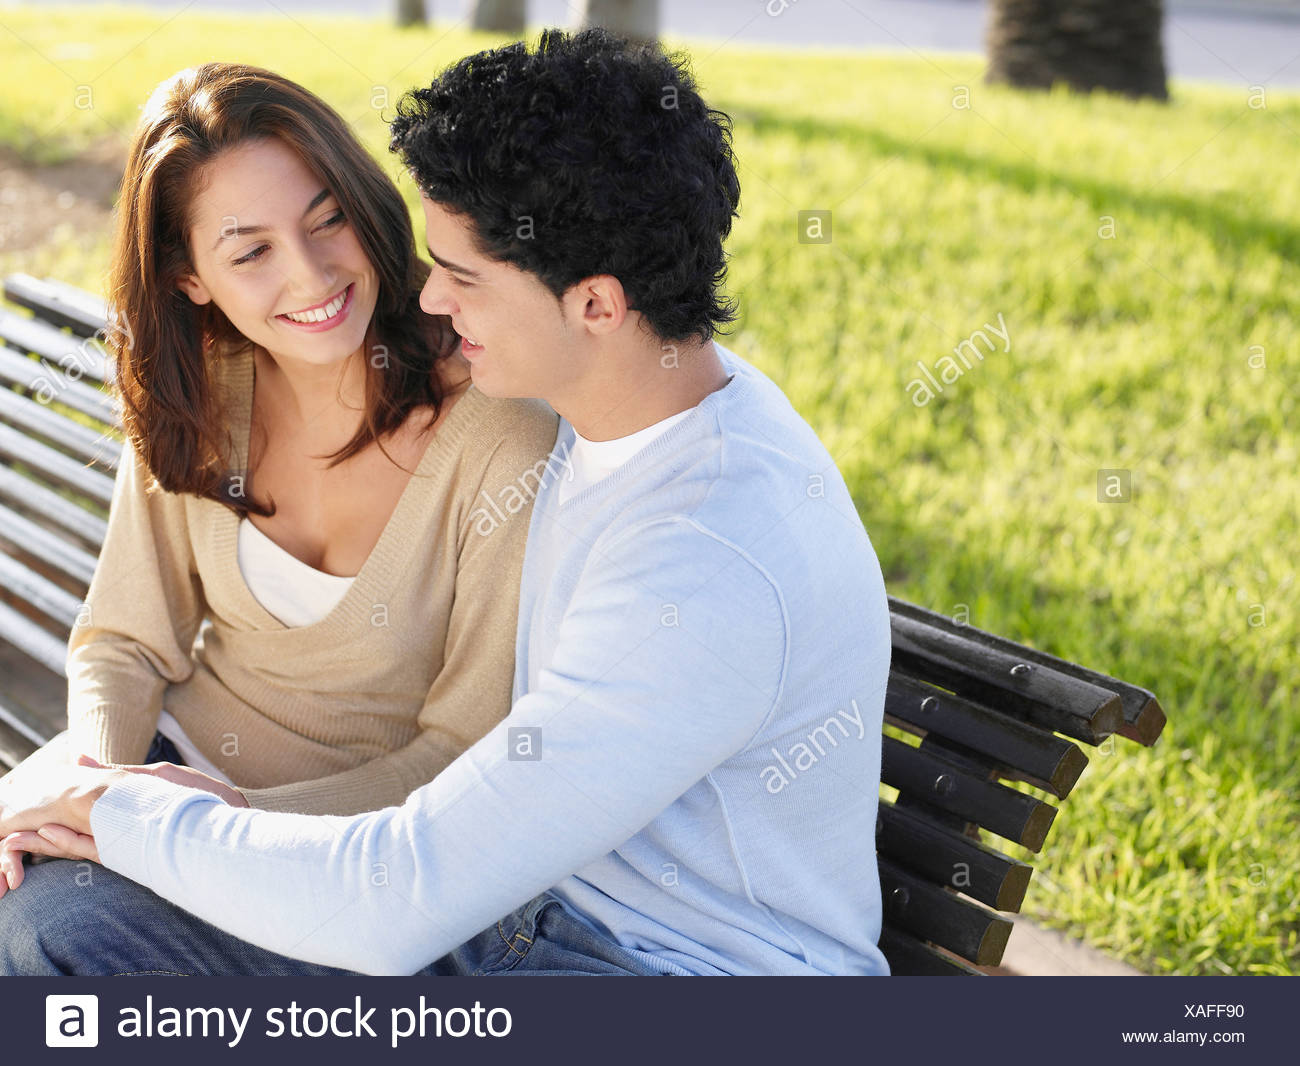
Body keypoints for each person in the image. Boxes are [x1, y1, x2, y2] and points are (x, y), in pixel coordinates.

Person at [0, 29, 891, 978]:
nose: (427, 299)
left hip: (654, 969)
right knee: (53, 927)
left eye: (461, 278)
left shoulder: (703, 561)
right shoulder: (633, 404)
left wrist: (125, 813)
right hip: (511, 913)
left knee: (63, 936)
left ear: (594, 305)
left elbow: (402, 888)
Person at [0, 64, 558, 830]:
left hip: (342, 848)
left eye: (328, 220)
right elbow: (124, 643)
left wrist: (222, 826)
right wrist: (94, 796)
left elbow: (463, 748)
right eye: (251, 253)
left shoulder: (500, 432)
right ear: (188, 277)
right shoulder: (201, 387)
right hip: (165, 778)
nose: (312, 275)